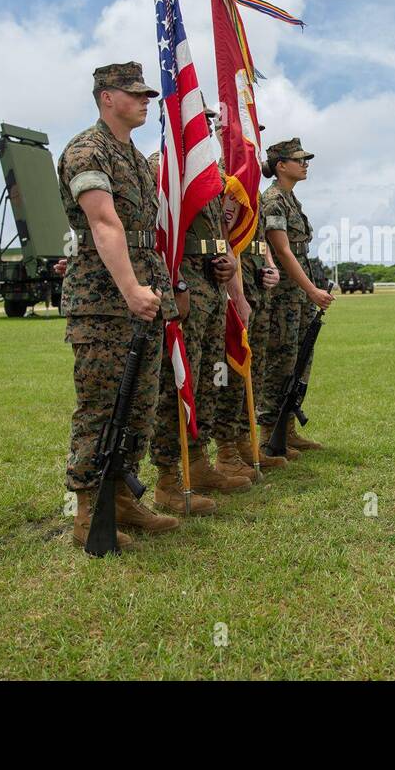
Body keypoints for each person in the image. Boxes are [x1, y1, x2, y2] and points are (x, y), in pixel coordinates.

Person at [57, 62, 181, 548]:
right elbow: (105, 224)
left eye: (147, 93)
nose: (145, 100)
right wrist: (131, 290)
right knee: (102, 406)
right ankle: (89, 512)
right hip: (105, 302)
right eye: (135, 94)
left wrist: (149, 292)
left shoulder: (134, 157)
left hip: (145, 297)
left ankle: (124, 500)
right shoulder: (87, 150)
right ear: (107, 97)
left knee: (140, 406)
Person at [148, 122, 253, 516]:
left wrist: (226, 263)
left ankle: (198, 462)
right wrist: (174, 283)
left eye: (210, 121)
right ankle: (167, 479)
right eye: (201, 119)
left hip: (210, 286)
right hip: (184, 287)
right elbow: (159, 233)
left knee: (209, 379)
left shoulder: (208, 174)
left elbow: (216, 233)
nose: (207, 127)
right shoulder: (165, 166)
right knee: (178, 381)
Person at [212, 177, 289, 480]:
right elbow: (227, 239)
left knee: (252, 372)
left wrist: (270, 267)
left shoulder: (249, 181)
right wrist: (237, 295)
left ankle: (245, 441)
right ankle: (226, 449)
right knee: (227, 374)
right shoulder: (220, 177)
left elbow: (258, 240)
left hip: (256, 287)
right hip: (231, 288)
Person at [259, 138, 334, 449]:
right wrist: (312, 290)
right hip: (284, 295)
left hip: (298, 295)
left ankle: (286, 430)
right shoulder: (274, 200)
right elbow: (283, 252)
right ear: (281, 165)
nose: (305, 165)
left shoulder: (290, 200)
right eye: (299, 160)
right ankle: (269, 434)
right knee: (281, 359)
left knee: (300, 358)